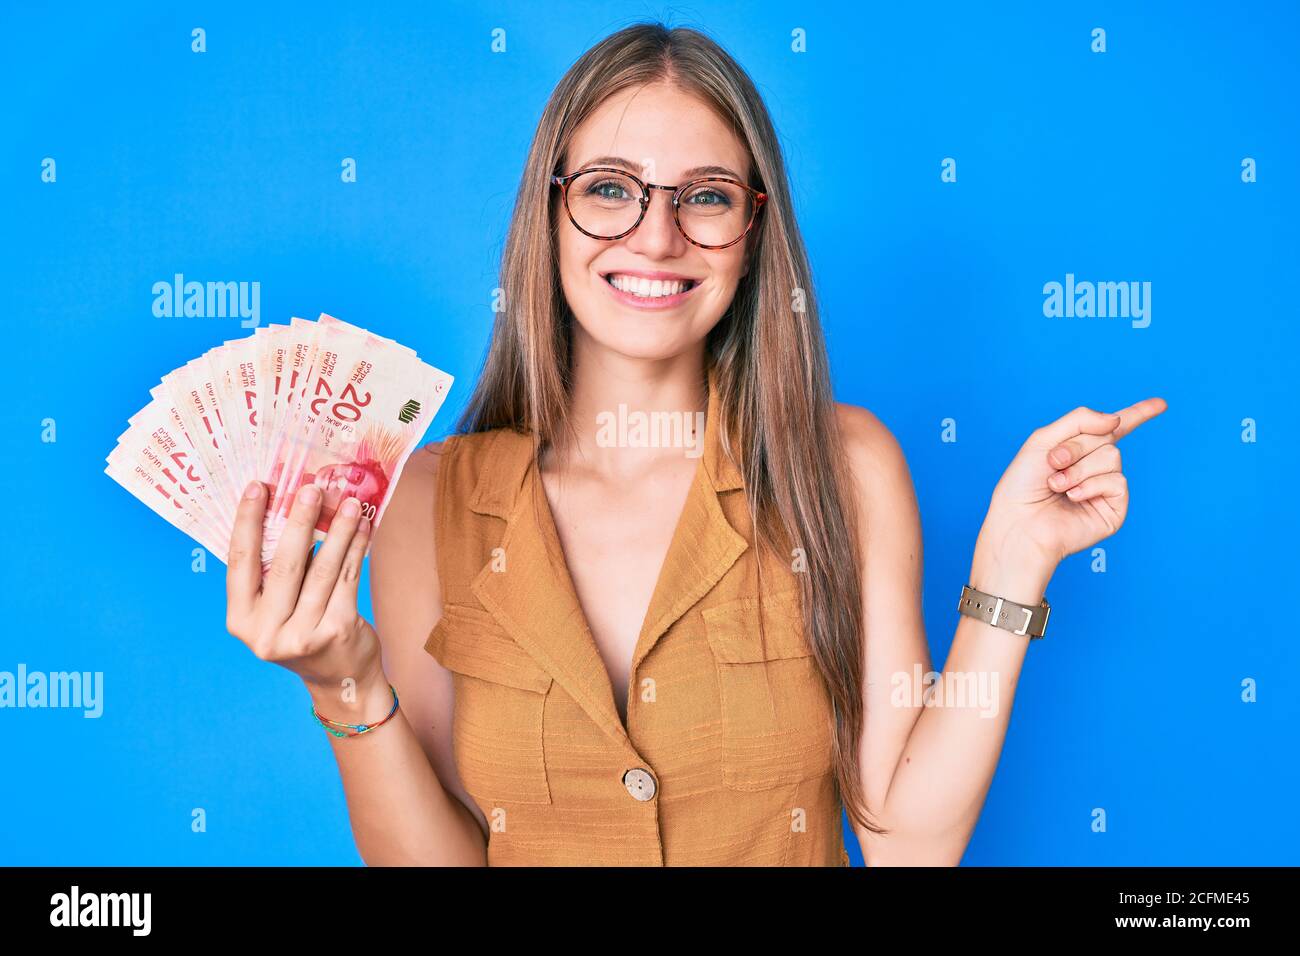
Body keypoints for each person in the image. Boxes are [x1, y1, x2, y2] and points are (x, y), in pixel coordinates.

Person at [223, 22, 1166, 866]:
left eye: (704, 198)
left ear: (753, 229)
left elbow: (910, 844)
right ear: (549, 214)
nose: (657, 236)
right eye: (609, 190)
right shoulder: (429, 498)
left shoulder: (844, 466)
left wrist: (1011, 566)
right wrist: (345, 687)